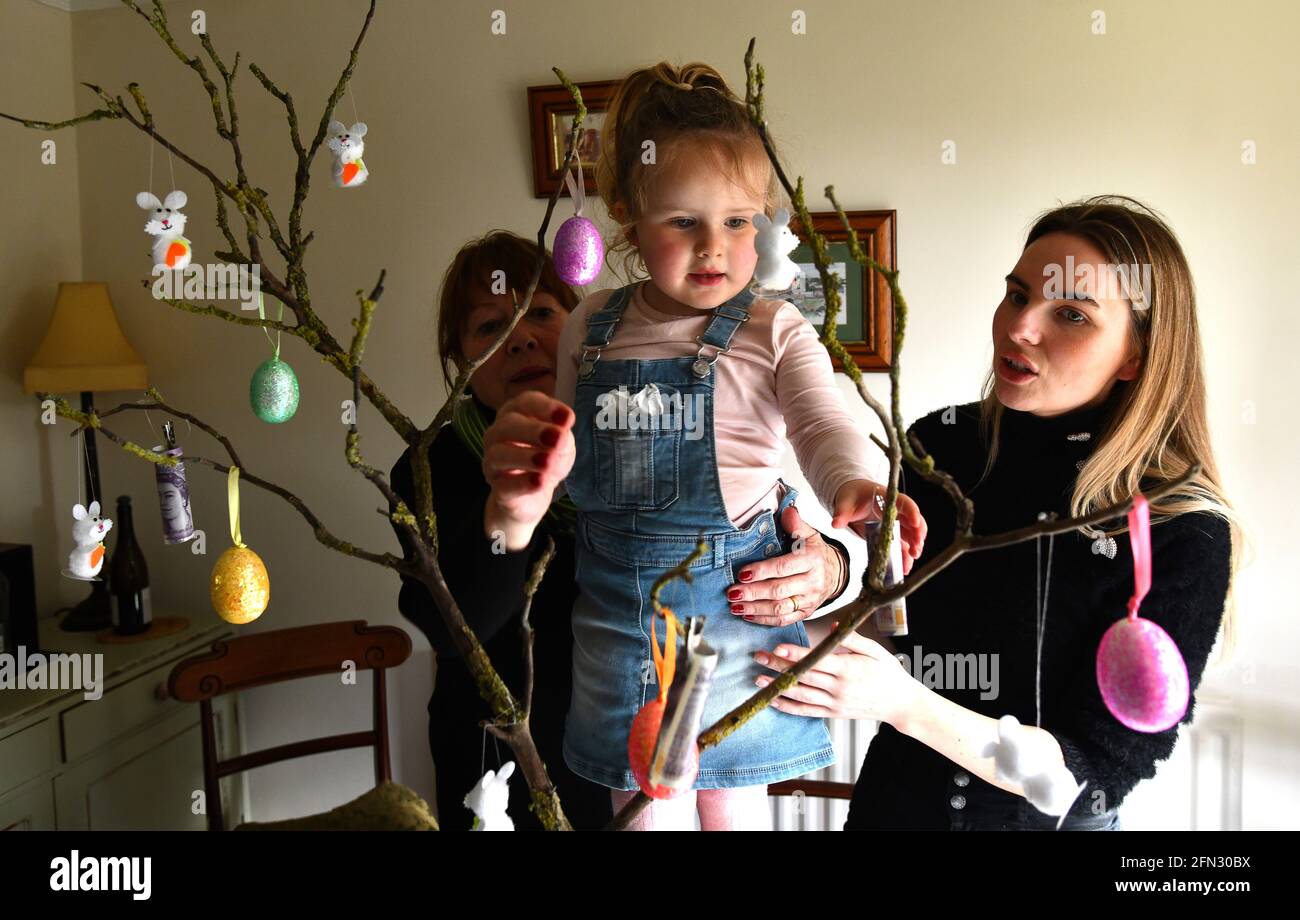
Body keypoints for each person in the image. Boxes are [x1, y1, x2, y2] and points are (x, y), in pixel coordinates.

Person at [490, 63, 926, 831]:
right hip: (618, 623)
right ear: (627, 212)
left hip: (735, 619)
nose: (714, 247)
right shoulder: (590, 324)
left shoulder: (773, 327)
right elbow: (564, 453)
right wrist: (535, 471)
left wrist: (853, 487)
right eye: (683, 223)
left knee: (734, 814)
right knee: (641, 817)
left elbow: (824, 424)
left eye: (738, 222)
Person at [754, 196, 1241, 830]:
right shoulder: (945, 448)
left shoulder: (1180, 527)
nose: (1020, 327)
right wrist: (810, 587)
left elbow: (1092, 772)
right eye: (1017, 295)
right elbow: (891, 624)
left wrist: (906, 706)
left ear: (1136, 357)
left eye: (1070, 314)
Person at [389, 230, 856, 830]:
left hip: (650, 743)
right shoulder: (436, 464)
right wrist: (509, 513)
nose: (523, 337)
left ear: (579, 326)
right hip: (507, 769)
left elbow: (754, 521)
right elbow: (455, 629)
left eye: (541, 312)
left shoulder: (646, 429)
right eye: (489, 327)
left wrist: (832, 566)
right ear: (461, 360)